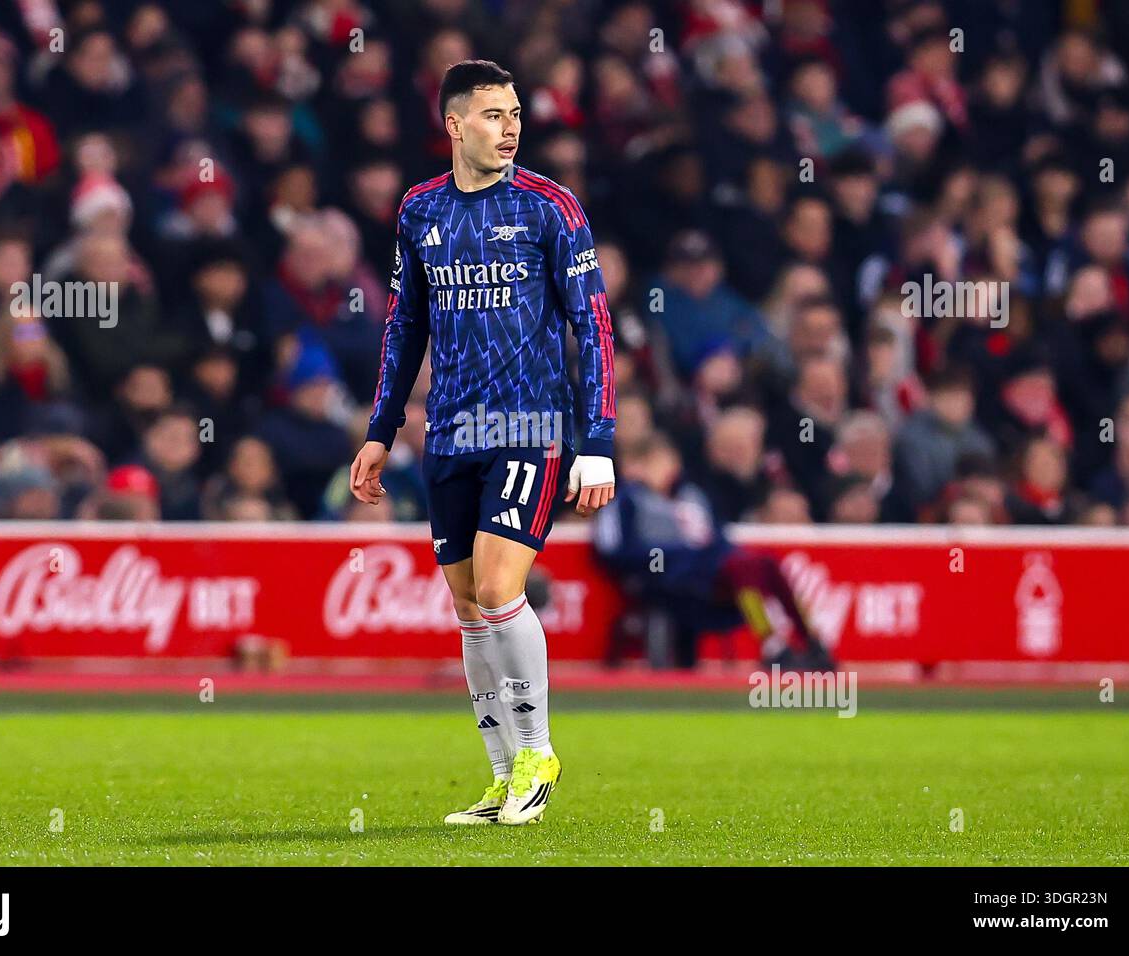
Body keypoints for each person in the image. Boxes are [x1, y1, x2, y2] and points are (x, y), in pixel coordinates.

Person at [348, 61, 616, 826]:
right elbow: (405, 325)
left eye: (516, 113)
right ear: (455, 124)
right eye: (494, 114)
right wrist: (381, 429)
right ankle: (502, 778)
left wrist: (597, 440)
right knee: (468, 609)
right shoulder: (419, 210)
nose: (511, 127)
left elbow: (592, 325)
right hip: (452, 432)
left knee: (501, 592)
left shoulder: (549, 207)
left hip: (531, 426)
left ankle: (537, 751)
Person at [594, 432, 836, 672]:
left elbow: (718, 538)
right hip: (667, 578)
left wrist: (715, 554)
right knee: (743, 569)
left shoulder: (692, 496)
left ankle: (811, 641)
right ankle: (772, 646)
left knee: (764, 564)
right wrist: (673, 556)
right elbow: (613, 550)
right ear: (633, 467)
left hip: (709, 570)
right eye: (653, 463)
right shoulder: (624, 501)